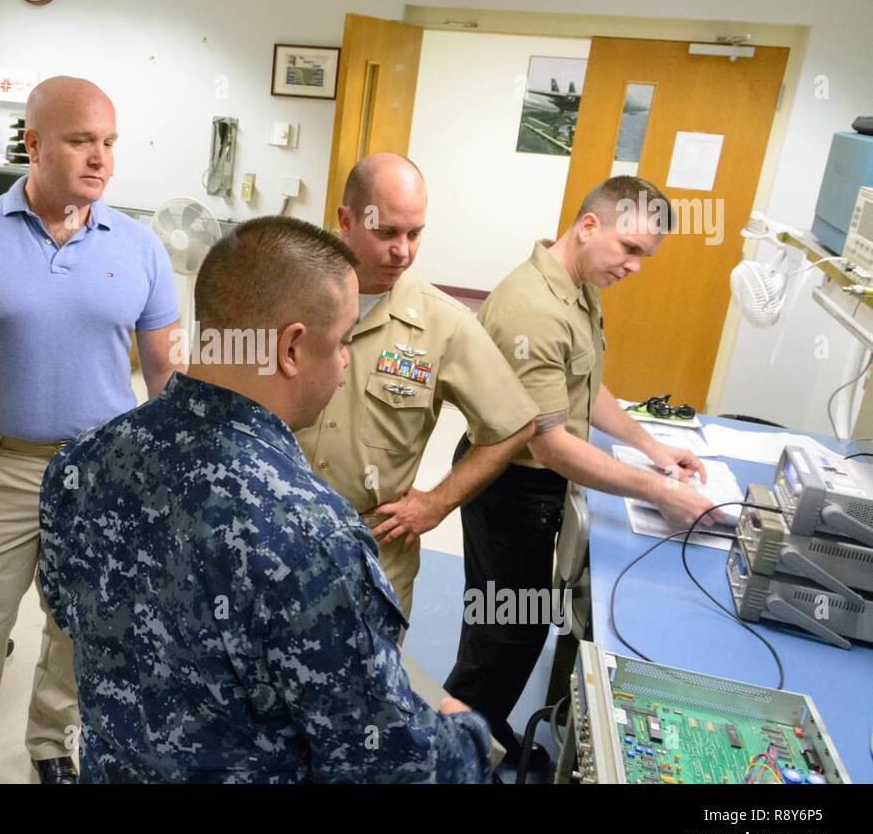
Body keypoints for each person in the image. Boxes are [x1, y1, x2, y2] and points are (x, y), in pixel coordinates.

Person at [38, 215, 491, 783]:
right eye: (345, 340)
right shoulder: (312, 535)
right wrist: (468, 734)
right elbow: (387, 763)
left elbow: (69, 611)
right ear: (292, 349)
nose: (348, 359)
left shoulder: (81, 463)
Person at [0, 76, 181, 784]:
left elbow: (166, 378)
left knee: (78, 628)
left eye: (109, 142)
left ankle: (53, 744)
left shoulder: (140, 247)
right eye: (83, 141)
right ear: (34, 144)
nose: (101, 159)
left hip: (102, 475)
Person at [444, 175, 717, 761]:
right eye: (631, 249)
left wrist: (653, 448)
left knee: (514, 625)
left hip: (533, 484)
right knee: (505, 632)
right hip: (508, 484)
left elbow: (584, 391)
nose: (637, 267)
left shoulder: (577, 284)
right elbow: (550, 445)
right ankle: (450, 752)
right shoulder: (533, 310)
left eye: (645, 255)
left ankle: (482, 730)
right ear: (589, 227)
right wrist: (659, 493)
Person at [296, 153, 537, 623]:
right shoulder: (290, 298)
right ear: (347, 220)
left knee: (367, 692)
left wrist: (437, 503)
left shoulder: (442, 323)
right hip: (273, 540)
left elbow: (514, 424)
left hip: (371, 555)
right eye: (386, 232)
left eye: (415, 233)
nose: (402, 250)